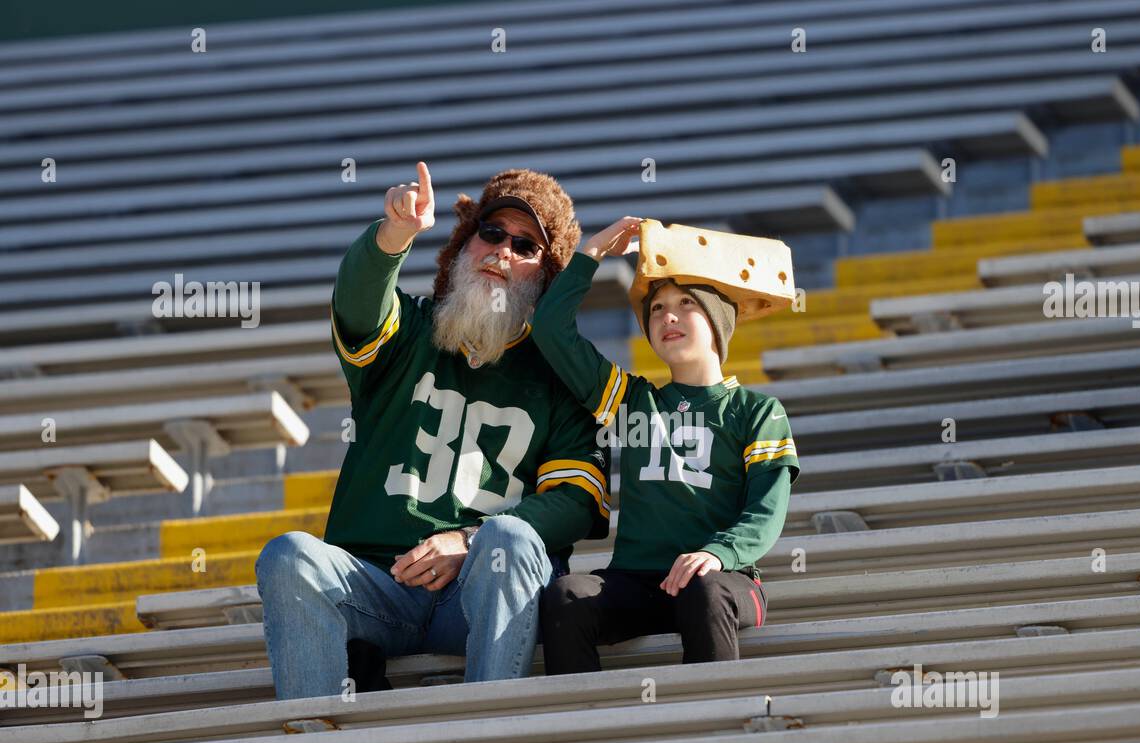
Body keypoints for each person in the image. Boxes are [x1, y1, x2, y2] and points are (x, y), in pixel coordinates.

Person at [255, 163, 610, 699]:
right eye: (490, 233)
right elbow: (357, 305)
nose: (502, 251)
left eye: (525, 246)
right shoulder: (411, 330)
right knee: (288, 557)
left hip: (481, 591)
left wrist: (469, 542)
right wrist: (393, 234)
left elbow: (575, 501)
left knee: (509, 540)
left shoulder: (564, 375)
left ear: (547, 278)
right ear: (463, 245)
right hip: (377, 587)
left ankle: (487, 732)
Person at [533, 216, 799, 673]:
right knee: (566, 595)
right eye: (656, 308)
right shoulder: (633, 402)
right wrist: (591, 253)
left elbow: (766, 511)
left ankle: (715, 728)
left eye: (685, 303)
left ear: (718, 320)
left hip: (724, 580)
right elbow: (550, 331)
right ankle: (582, 731)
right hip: (637, 584)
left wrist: (718, 553)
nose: (667, 316)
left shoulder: (757, 411)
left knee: (704, 588)